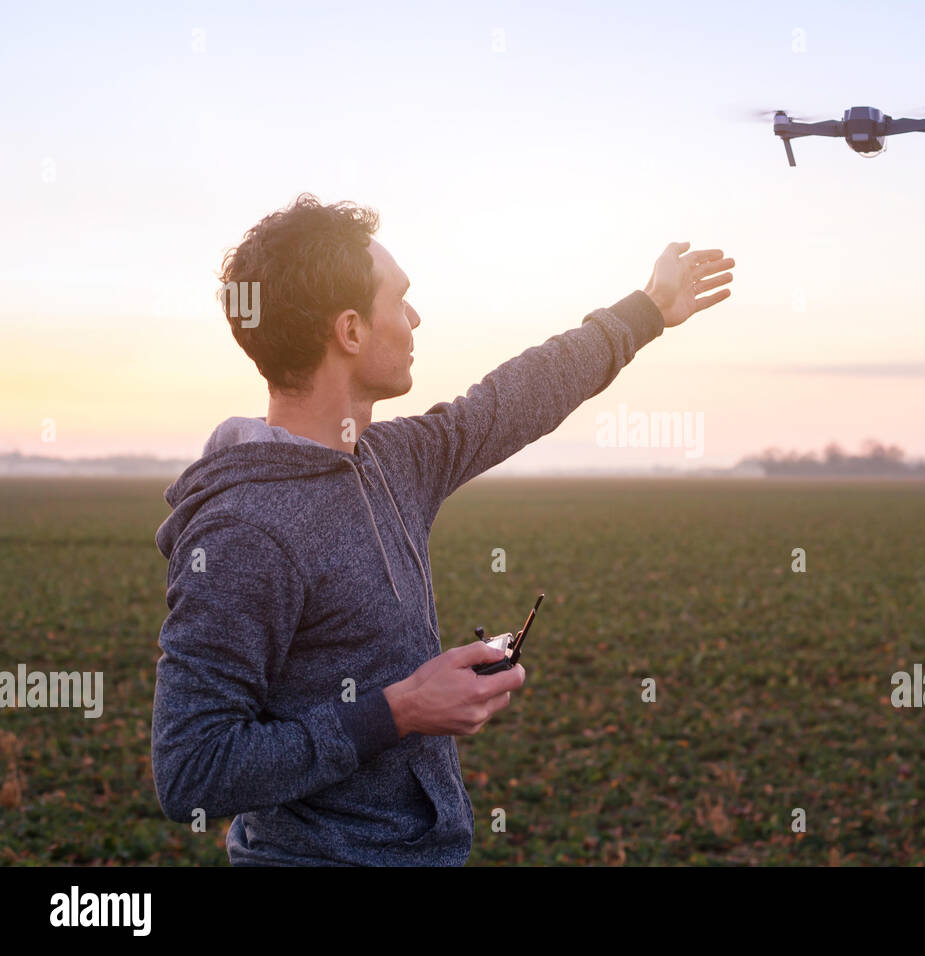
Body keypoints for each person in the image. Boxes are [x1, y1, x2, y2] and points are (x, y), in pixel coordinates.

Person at [150, 193, 735, 865]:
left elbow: (512, 400)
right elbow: (193, 770)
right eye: (400, 300)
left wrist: (647, 311)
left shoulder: (391, 461)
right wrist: (401, 709)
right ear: (349, 331)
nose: (415, 317)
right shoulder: (243, 531)